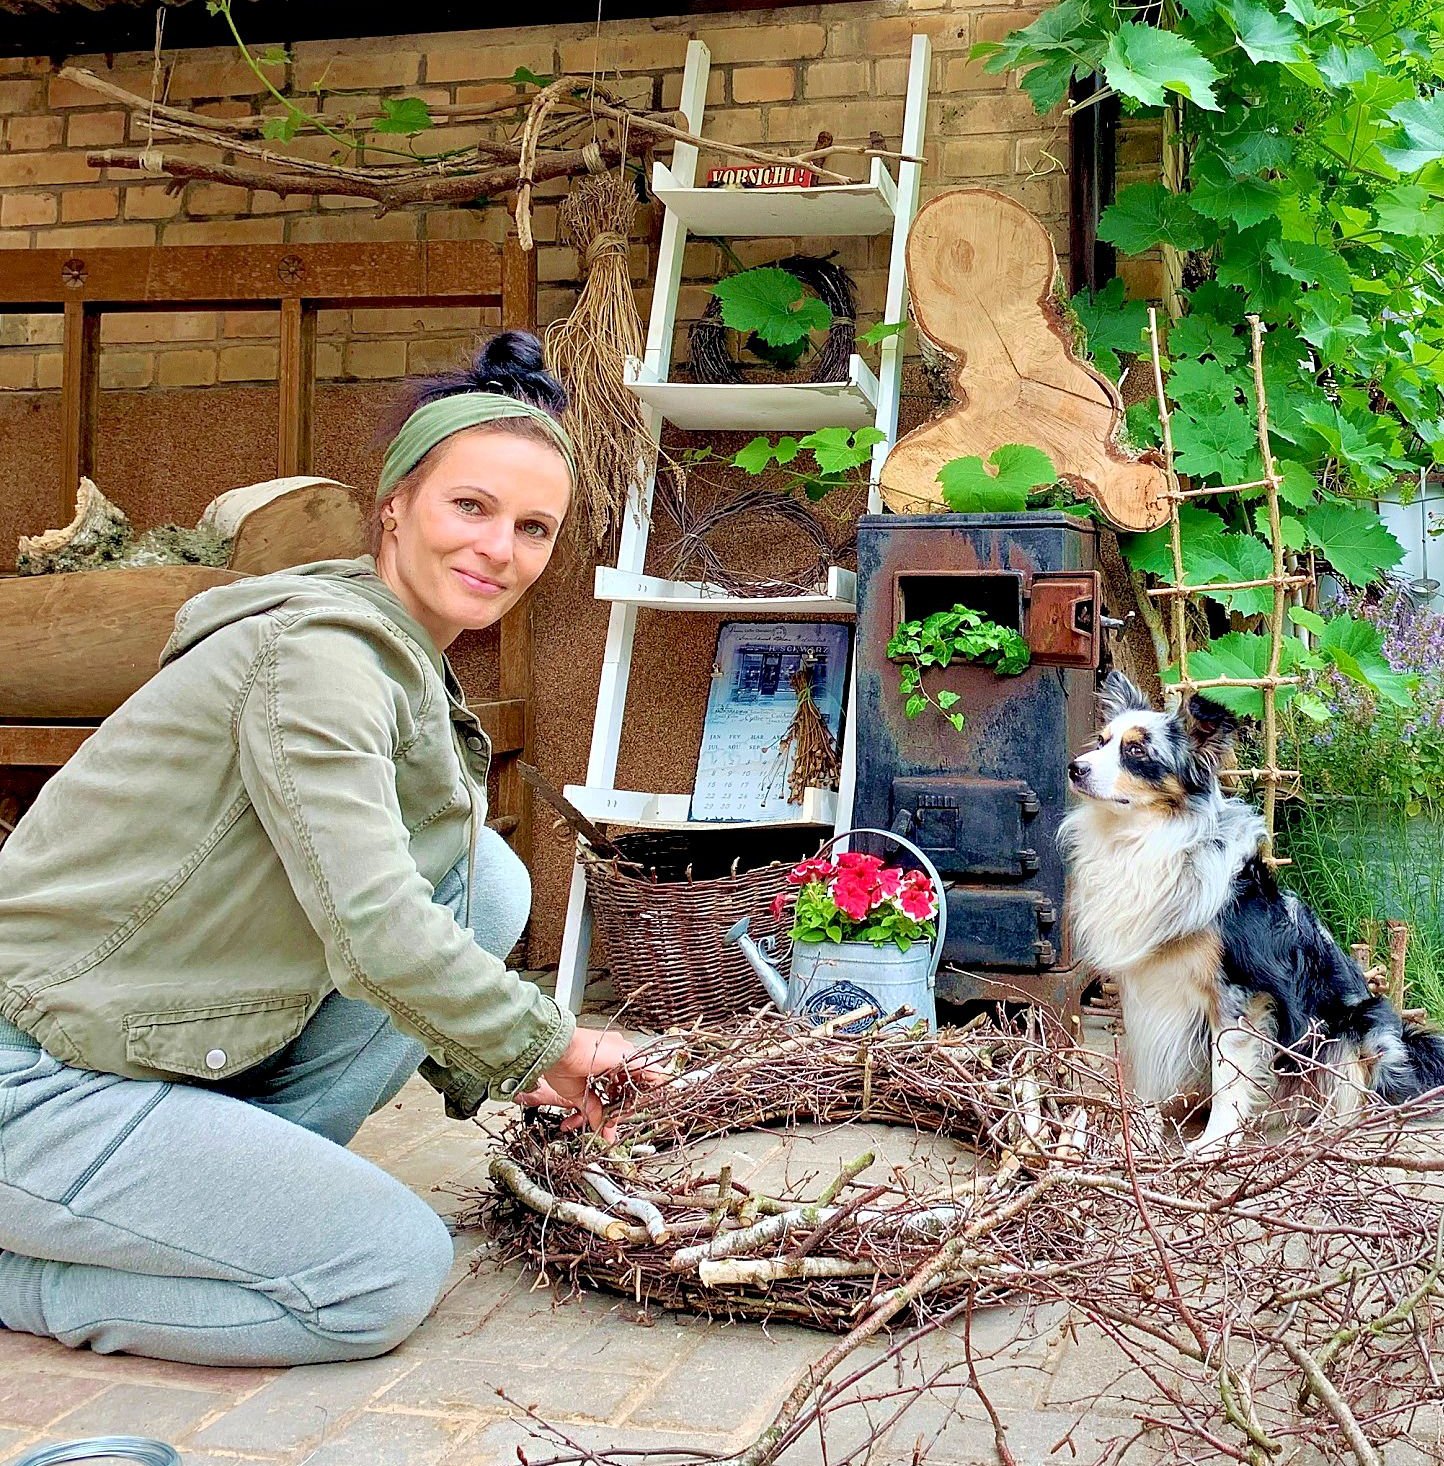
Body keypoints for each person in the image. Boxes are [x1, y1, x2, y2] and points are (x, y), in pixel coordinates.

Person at [0, 330, 638, 1367]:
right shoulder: (321, 659)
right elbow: (372, 922)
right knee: (377, 1271)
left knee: (483, 882)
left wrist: (493, 1056)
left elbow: (407, 902)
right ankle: (34, 1268)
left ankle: (217, 1199)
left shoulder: (387, 657)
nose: (499, 549)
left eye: (533, 527)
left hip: (137, 1051)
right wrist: (545, 1042)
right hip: (33, 1072)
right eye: (468, 507)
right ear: (392, 504)